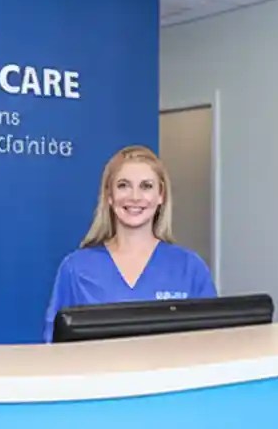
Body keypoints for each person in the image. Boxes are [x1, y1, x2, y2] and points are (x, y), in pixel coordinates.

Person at [43, 145, 216, 342]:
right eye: (123, 185)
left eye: (146, 186)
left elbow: (211, 343)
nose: (135, 197)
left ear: (161, 195)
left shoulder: (189, 268)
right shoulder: (76, 268)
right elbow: (54, 346)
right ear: (109, 196)